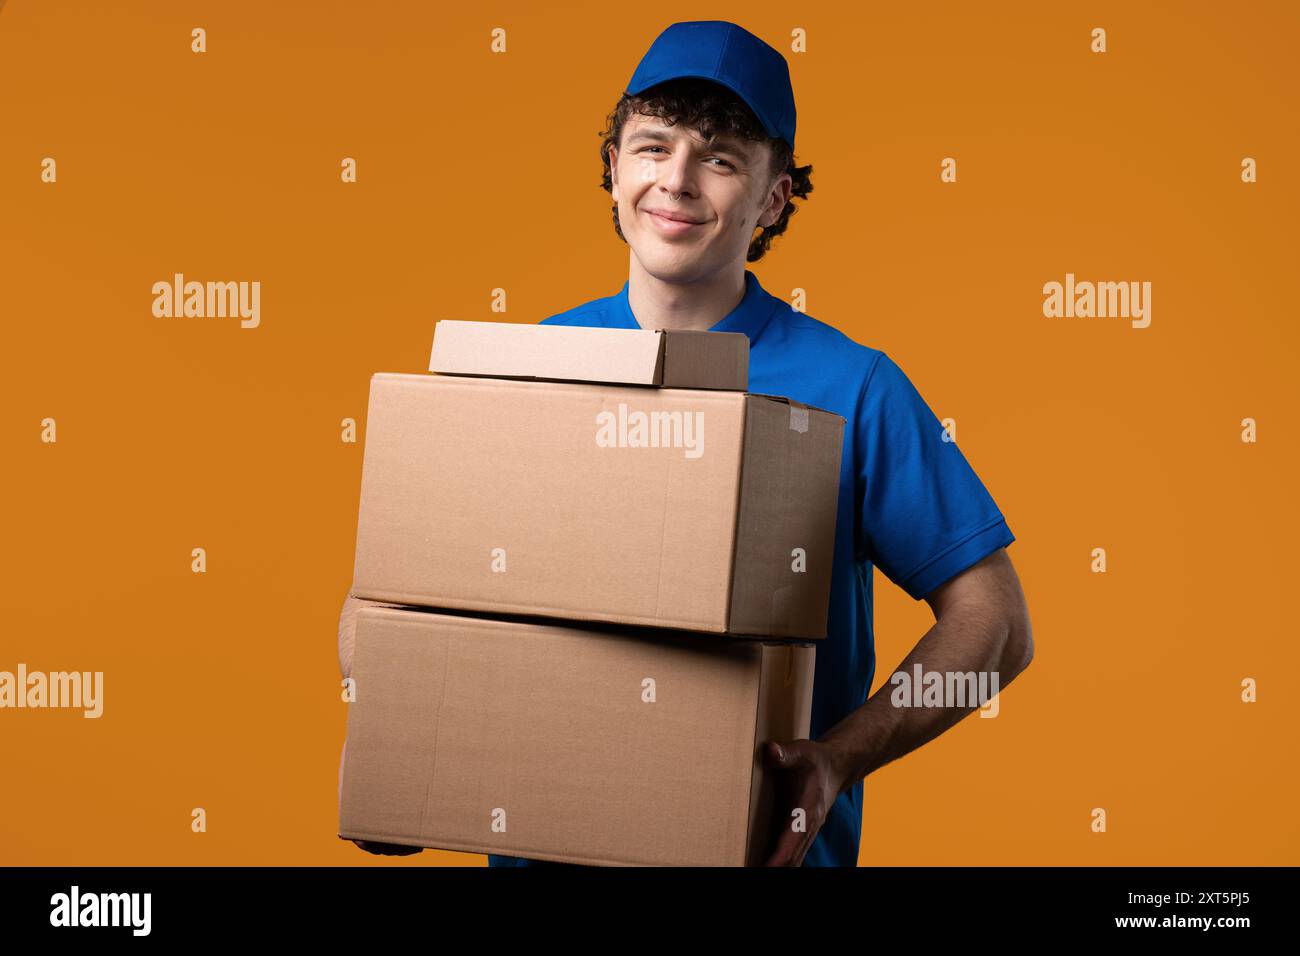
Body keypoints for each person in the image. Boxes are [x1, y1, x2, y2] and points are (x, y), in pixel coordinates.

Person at [341, 19, 1033, 867]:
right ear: (612, 170)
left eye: (720, 157)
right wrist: (403, 742)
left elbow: (996, 625)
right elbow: (396, 594)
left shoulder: (854, 386)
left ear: (773, 198)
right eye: (652, 146)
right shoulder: (524, 369)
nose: (675, 180)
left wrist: (841, 758)